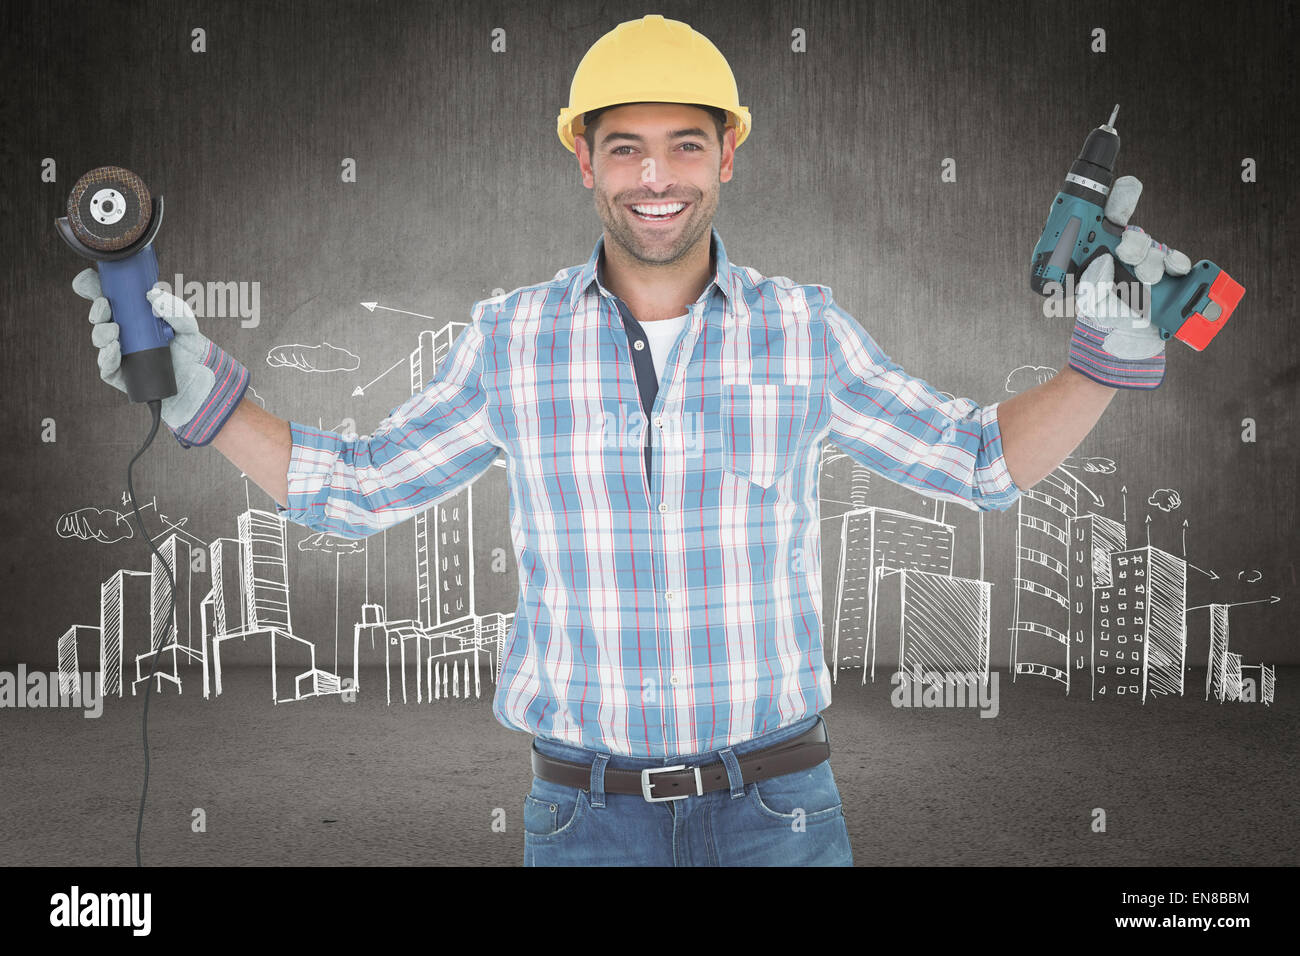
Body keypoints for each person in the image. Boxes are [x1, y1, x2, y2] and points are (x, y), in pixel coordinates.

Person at [73, 14, 1188, 866]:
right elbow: (356, 487)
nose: (656, 177)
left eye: (684, 146)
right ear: (585, 163)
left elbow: (978, 460)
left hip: (779, 812)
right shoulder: (508, 338)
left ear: (727, 159)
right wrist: (200, 399)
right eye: (626, 149)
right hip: (581, 815)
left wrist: (1103, 361)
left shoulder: (804, 329)